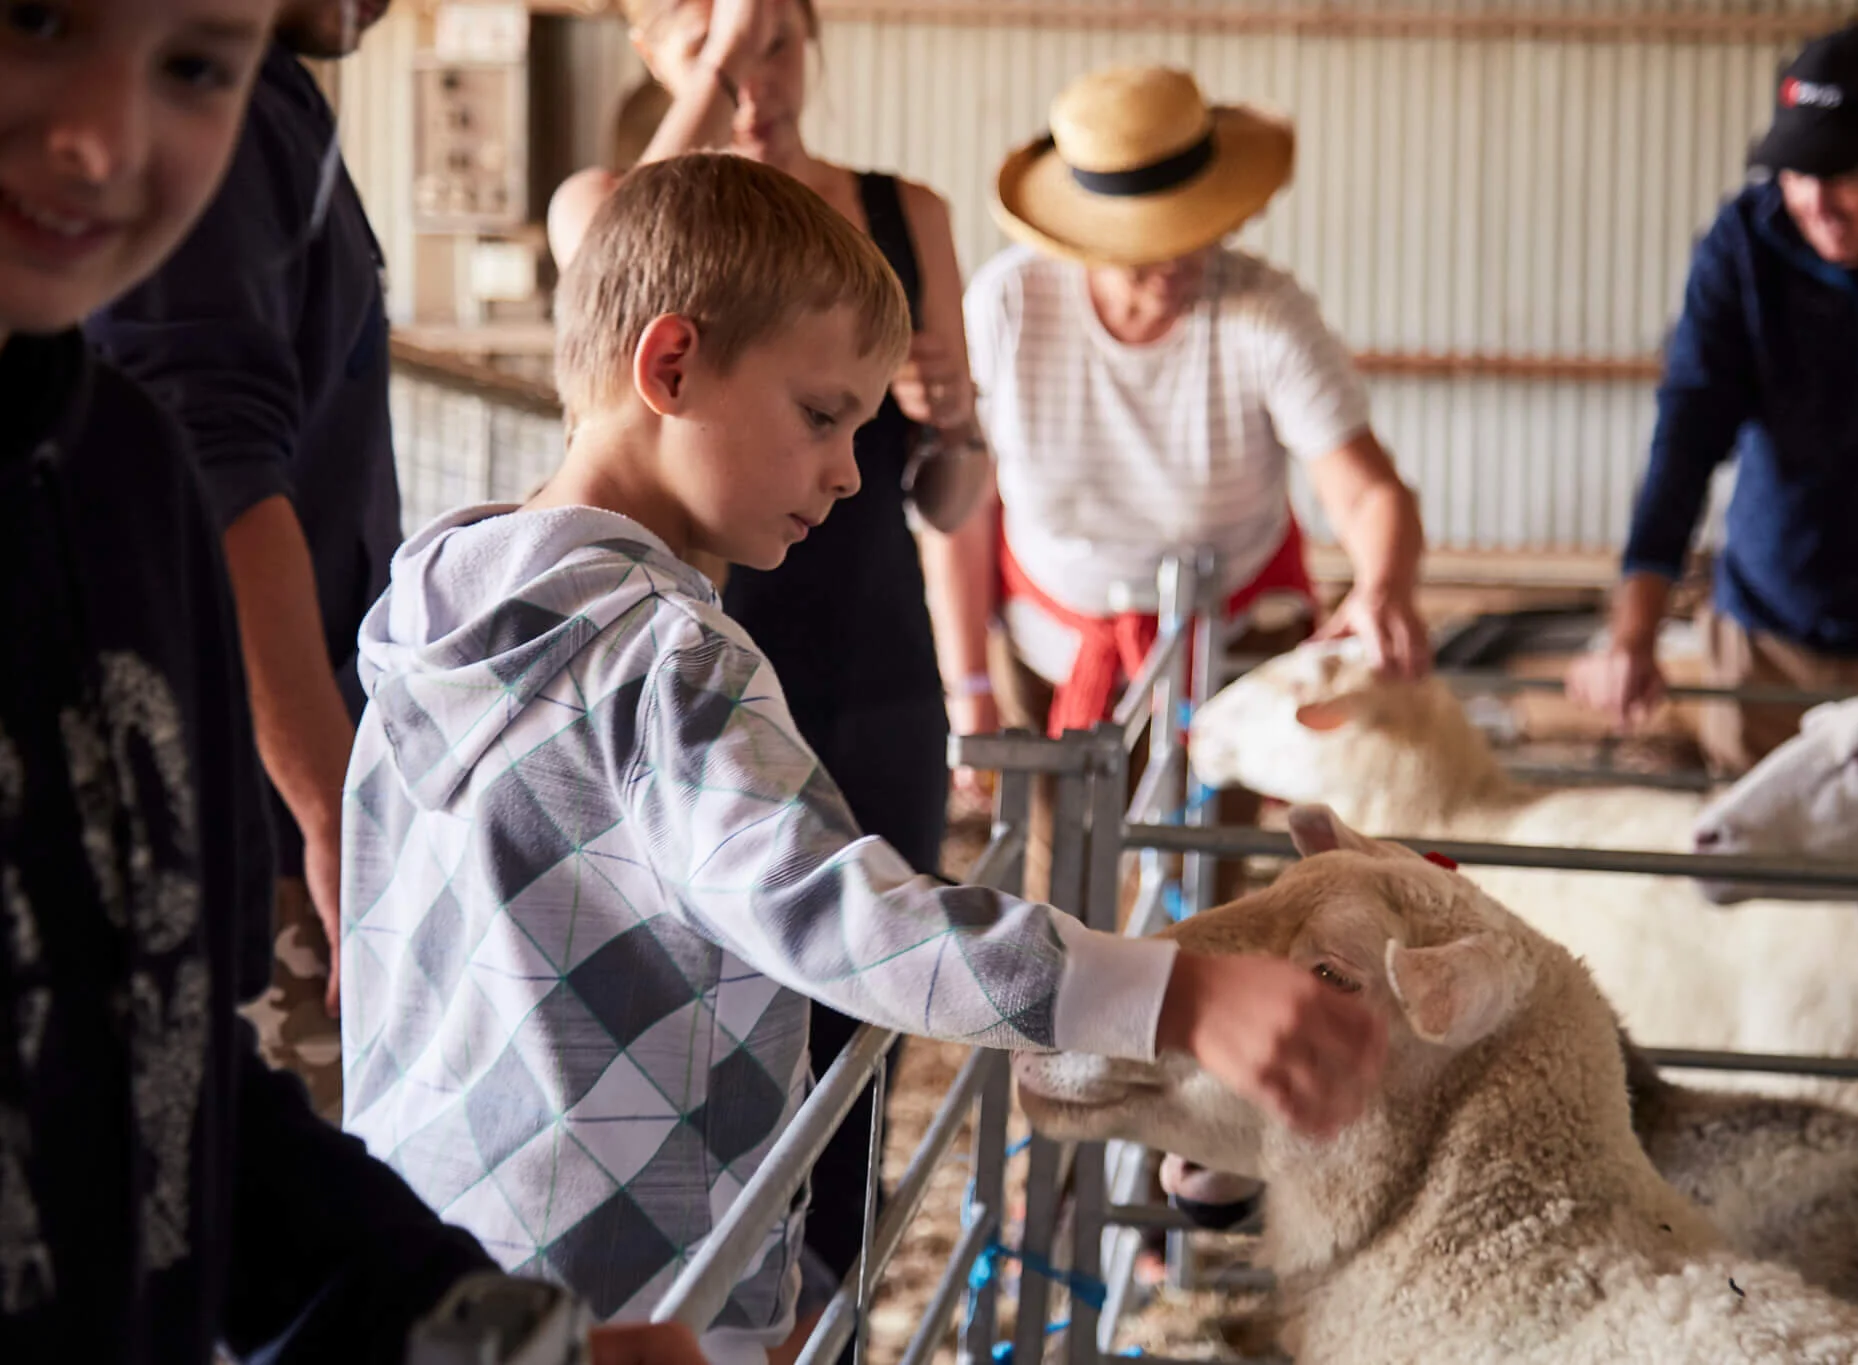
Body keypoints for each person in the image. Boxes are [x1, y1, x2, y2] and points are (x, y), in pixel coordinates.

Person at [340, 151, 1386, 1365]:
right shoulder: (669, 661)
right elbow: (842, 916)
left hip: (423, 1260)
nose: (848, 472)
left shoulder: (434, 612)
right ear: (669, 366)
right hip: (626, 1287)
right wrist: (1178, 996)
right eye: (822, 416)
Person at [0, 2, 707, 1361]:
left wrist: (491, 1334)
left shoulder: (124, 484)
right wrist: (339, 813)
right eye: (39, 20)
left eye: (200, 64)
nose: (102, 139)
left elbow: (177, 1088)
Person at [547, 0, 988, 1321]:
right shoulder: (608, 206)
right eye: (716, 52)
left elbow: (954, 502)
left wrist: (953, 423)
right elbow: (615, 273)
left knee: (851, 1022)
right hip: (680, 663)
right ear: (653, 57)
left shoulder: (903, 216)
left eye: (777, 44)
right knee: (674, 1006)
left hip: (871, 664)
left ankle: (827, 1319)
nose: (755, 85)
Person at [927, 64, 1431, 900]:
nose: (1175, 262)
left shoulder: (1263, 315)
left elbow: (1369, 492)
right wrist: (968, 683)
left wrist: (1386, 584)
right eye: (1143, 249)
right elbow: (965, 505)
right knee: (1059, 884)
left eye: (1192, 231)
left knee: (1207, 881)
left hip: (1227, 643)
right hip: (1057, 645)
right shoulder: (1009, 306)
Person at [1567, 20, 1858, 774]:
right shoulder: (1743, 245)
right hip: (1769, 655)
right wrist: (1633, 629)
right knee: (1768, 877)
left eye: (1843, 172)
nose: (1814, 201)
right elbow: (1685, 433)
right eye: (1795, 172)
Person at [84, 0, 401, 1124]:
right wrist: (337, 817)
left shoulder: (269, 102)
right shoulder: (211, 123)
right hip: (243, 831)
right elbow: (215, 482)